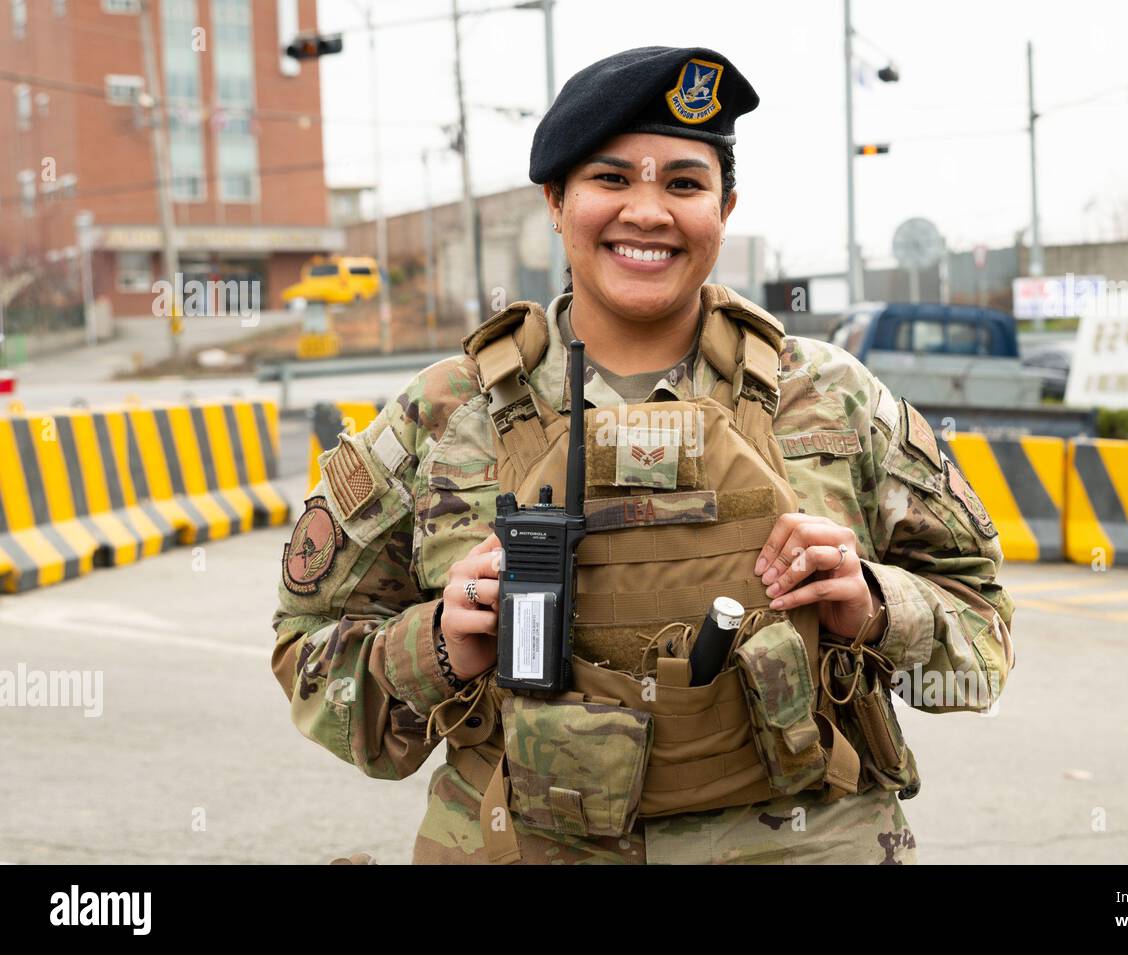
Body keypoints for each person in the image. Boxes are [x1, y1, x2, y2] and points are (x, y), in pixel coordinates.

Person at [271, 46, 1015, 865]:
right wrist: (438, 645)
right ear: (556, 201)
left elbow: (983, 628)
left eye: (685, 184)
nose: (650, 213)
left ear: (725, 209)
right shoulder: (446, 414)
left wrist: (874, 605)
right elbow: (307, 648)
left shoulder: (831, 396)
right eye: (612, 179)